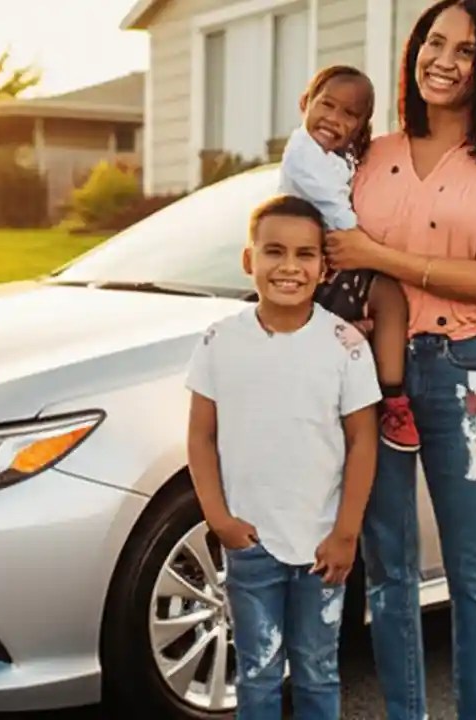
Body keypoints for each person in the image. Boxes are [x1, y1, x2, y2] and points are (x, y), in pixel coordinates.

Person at [321, 1, 476, 719]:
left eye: (468, 49)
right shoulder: (376, 152)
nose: (443, 59)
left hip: (466, 375)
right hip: (371, 374)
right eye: (434, 41)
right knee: (387, 570)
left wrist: (379, 256)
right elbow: (334, 251)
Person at [185, 195, 382, 719]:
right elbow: (201, 437)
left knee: (318, 671)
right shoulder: (219, 342)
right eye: (274, 251)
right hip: (251, 542)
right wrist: (220, 519)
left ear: (324, 267)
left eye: (305, 254)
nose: (289, 267)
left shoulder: (344, 346)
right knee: (257, 671)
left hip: (322, 545)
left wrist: (345, 533)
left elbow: (363, 440)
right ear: (250, 260)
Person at [278, 64, 420, 454]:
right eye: (327, 105)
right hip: (313, 272)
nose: (334, 119)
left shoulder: (341, 157)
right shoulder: (303, 155)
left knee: (389, 296)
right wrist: (371, 246)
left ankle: (393, 400)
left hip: (338, 267)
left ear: (361, 126)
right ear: (305, 103)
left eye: (349, 114)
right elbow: (334, 208)